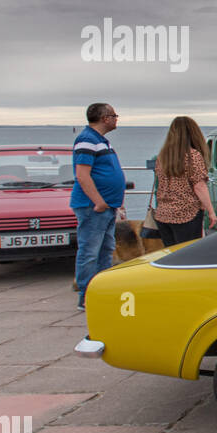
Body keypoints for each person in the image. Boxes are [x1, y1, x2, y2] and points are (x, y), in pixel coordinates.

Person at [70, 102, 125, 310]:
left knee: (105, 250)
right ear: (104, 118)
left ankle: (101, 290)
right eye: (114, 115)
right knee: (90, 251)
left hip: (107, 205)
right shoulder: (87, 140)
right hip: (93, 207)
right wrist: (99, 202)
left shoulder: (100, 141)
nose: (116, 119)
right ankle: (86, 295)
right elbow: (82, 175)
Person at [153, 116, 217, 245]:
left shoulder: (163, 156)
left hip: (163, 213)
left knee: (171, 254)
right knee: (188, 253)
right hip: (186, 213)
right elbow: (199, 186)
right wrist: (211, 212)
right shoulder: (193, 155)